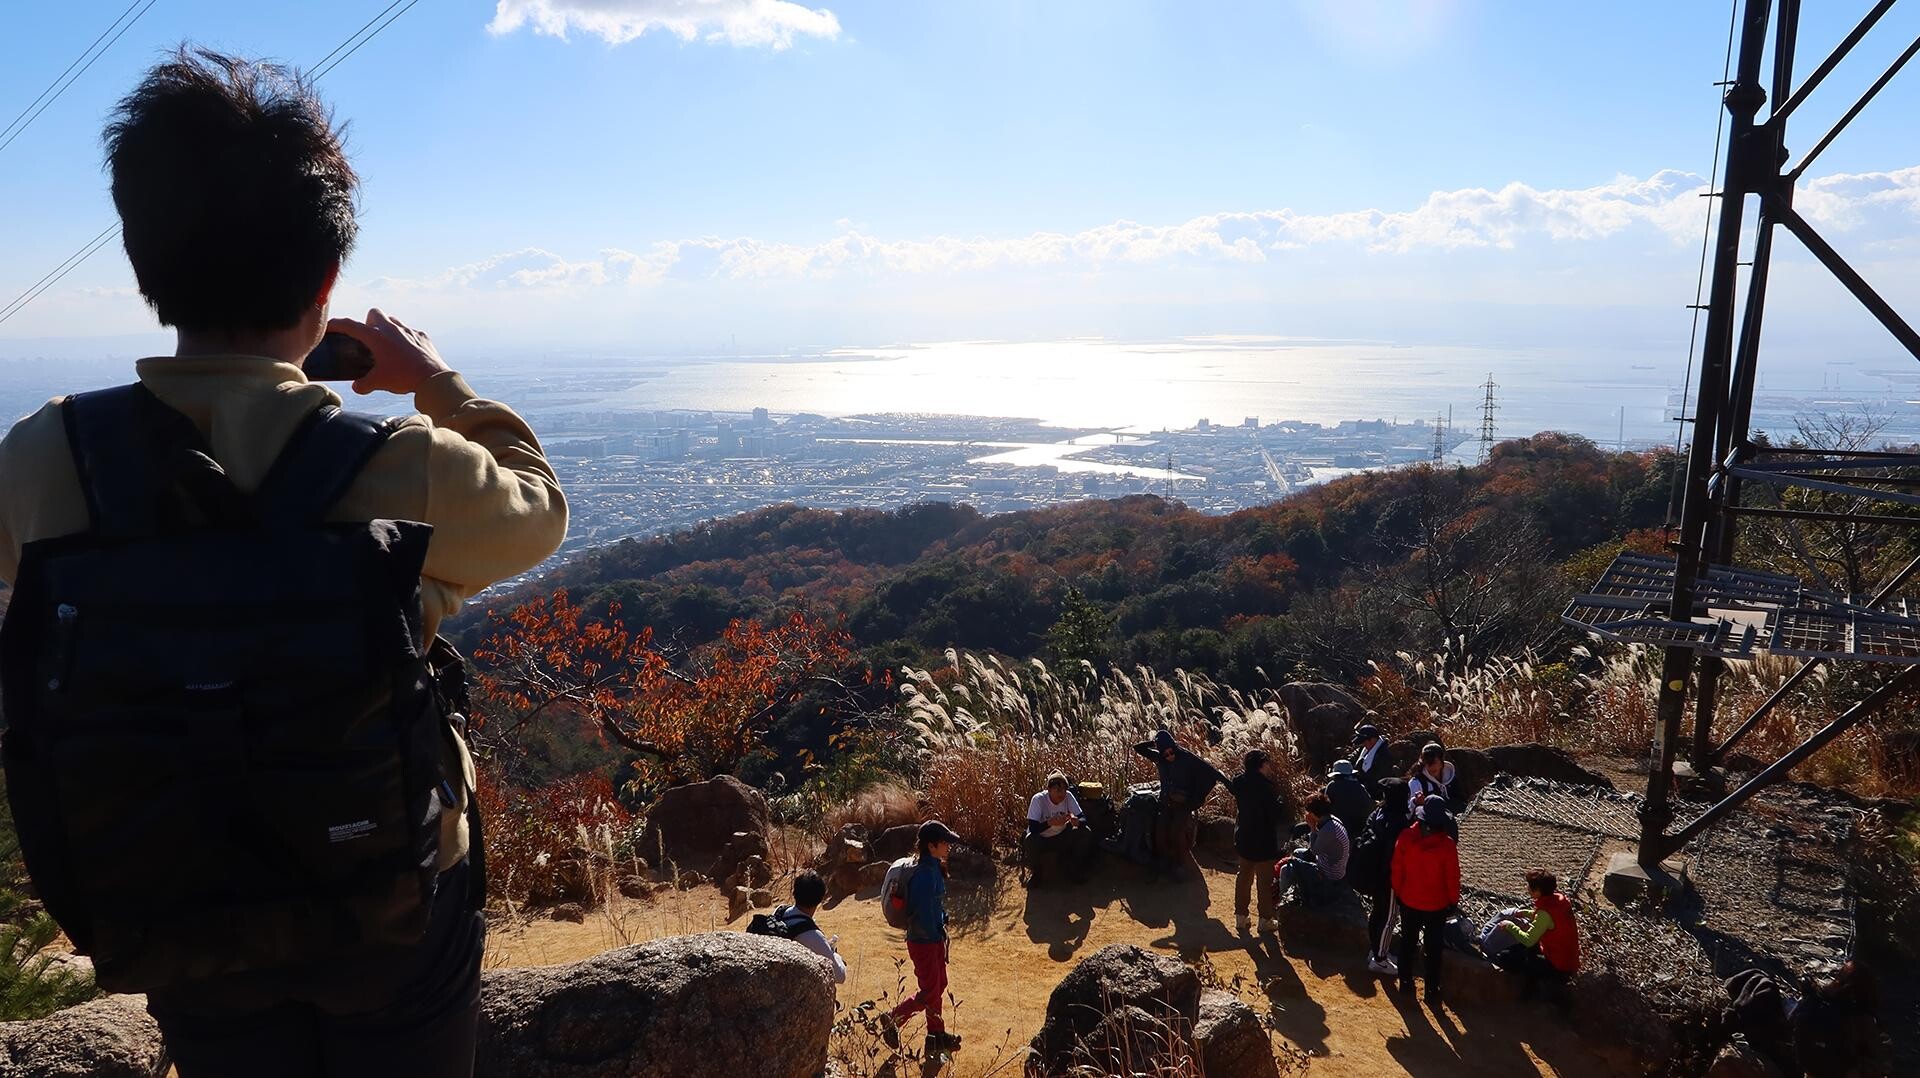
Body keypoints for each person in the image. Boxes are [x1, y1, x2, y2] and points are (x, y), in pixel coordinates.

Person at [0, 51, 565, 1078]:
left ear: (143, 266)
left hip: (172, 892)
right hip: (391, 898)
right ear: (324, 280)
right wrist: (436, 381)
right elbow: (537, 510)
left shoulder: (46, 457)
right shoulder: (401, 467)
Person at [880, 822, 963, 1058]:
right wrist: (937, 929)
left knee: (938, 986)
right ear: (931, 845)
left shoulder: (933, 867)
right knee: (930, 991)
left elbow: (933, 907)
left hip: (932, 938)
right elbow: (922, 912)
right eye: (945, 842)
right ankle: (903, 1022)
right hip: (924, 941)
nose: (948, 846)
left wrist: (942, 920)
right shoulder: (925, 875)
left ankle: (932, 1035)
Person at [1132, 729, 1230, 879]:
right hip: (1165, 802)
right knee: (1159, 832)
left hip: (1183, 804)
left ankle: (1181, 865)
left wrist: (1229, 785)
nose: (1170, 756)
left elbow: (1210, 771)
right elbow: (1138, 748)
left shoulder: (1186, 757)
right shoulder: (1159, 758)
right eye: (1166, 754)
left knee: (1177, 832)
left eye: (1172, 752)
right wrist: (1154, 743)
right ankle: (1164, 863)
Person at [1391, 796, 1460, 1005]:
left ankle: (1405, 981)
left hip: (1409, 900)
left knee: (1408, 941)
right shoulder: (1447, 845)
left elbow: (1397, 868)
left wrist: (1399, 891)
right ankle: (1431, 989)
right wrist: (1452, 901)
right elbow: (1452, 877)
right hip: (1436, 904)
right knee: (1433, 947)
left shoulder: (1405, 837)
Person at [1349, 777, 1413, 976]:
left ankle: (1375, 950)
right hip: (1389, 877)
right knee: (1388, 917)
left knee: (1377, 914)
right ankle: (1380, 959)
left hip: (1374, 873)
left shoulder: (1378, 813)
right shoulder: (1400, 821)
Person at [1485, 869, 1579, 1000]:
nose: (1527, 888)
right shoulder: (1559, 900)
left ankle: (1530, 992)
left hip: (1557, 965)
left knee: (1507, 957)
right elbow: (1546, 918)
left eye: (1530, 886)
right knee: (1523, 952)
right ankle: (1531, 986)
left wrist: (1509, 926)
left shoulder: (1544, 913)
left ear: (1538, 891)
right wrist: (1526, 913)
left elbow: (1529, 940)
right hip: (1567, 959)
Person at [1226, 749, 1284, 934]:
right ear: (1260, 765)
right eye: (1266, 764)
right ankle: (1265, 920)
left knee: (1243, 877)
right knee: (1264, 882)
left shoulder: (1239, 782)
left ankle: (1241, 918)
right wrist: (1280, 804)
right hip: (1264, 841)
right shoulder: (1267, 788)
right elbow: (1274, 815)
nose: (1269, 767)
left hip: (1244, 838)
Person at [775, 870, 847, 988]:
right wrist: (836, 956)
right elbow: (840, 976)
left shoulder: (780, 911)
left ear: (795, 893)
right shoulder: (812, 935)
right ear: (820, 898)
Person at [1276, 794, 1349, 906]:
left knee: (1285, 870)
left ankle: (1283, 904)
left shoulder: (1329, 830)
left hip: (1329, 873)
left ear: (1314, 813)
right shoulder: (1333, 820)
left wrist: (1312, 828)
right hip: (1332, 863)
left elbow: (1314, 851)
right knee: (1297, 853)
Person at [1023, 773, 1095, 886]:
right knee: (1030, 839)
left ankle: (1074, 869)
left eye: (1063, 790)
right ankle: (1037, 874)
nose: (1061, 793)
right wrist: (1050, 823)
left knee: (1085, 832)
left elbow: (1083, 818)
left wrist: (1077, 821)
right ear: (1049, 790)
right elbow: (1033, 828)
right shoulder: (1038, 799)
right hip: (1042, 839)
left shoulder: (1068, 796)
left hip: (1061, 836)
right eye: (1057, 790)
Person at [1325, 758, 1375, 838]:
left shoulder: (1332, 786)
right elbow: (1370, 806)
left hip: (1337, 828)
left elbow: (1325, 807)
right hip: (1358, 829)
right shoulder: (1359, 787)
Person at [1407, 742, 1456, 812]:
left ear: (1441, 761)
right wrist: (1415, 802)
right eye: (1428, 763)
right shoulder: (1416, 783)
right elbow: (1408, 812)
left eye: (1434, 762)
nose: (1431, 767)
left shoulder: (1450, 776)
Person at [1350, 722, 1392, 795]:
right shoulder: (1365, 749)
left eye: (1364, 741)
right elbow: (1354, 758)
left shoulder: (1383, 755)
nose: (1363, 744)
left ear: (1372, 740)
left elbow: (1378, 779)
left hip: (1374, 793)